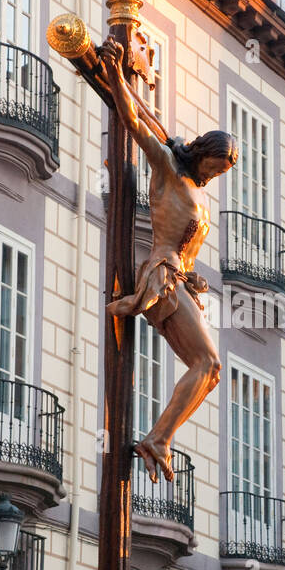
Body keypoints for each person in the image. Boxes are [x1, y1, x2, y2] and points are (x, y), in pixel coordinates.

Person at [98, 37, 239, 483]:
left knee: (211, 372)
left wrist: (195, 278)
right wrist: (118, 74)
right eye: (214, 167)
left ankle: (159, 437)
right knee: (209, 364)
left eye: (221, 173)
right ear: (200, 153)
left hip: (179, 281)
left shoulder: (194, 190)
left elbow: (188, 250)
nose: (213, 176)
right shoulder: (166, 169)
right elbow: (132, 119)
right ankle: (158, 439)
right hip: (161, 277)